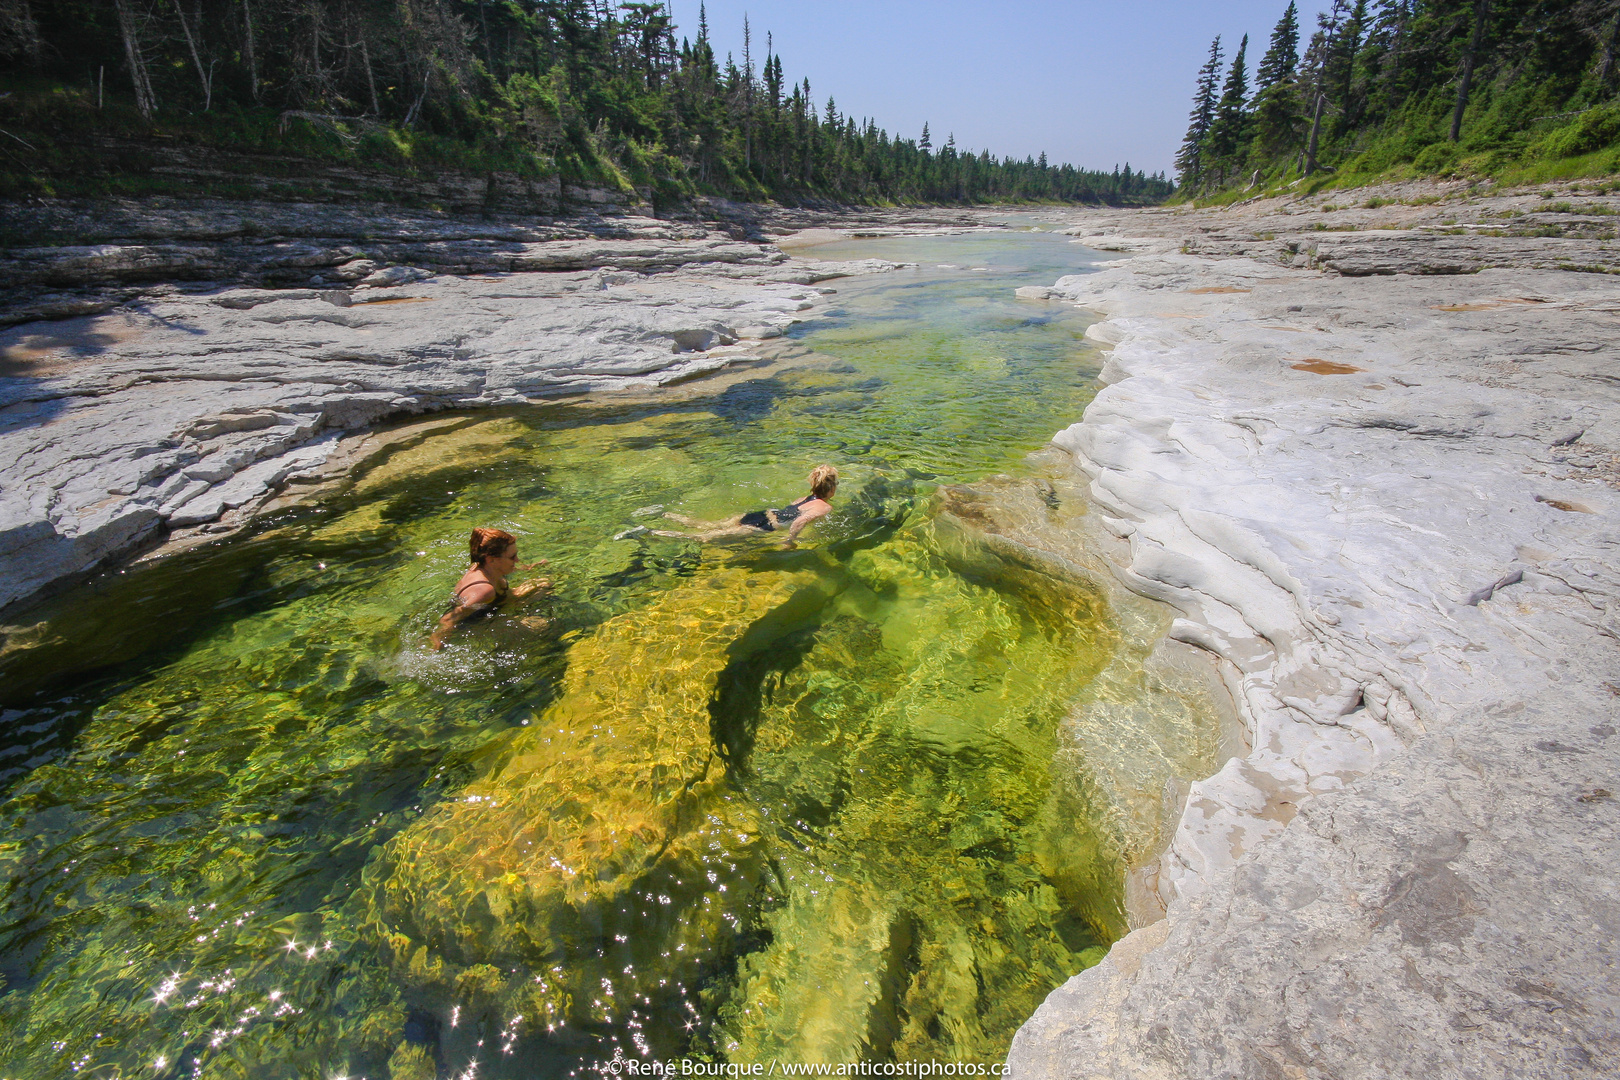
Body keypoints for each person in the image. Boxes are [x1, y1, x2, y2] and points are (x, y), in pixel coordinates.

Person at [641, 465, 839, 547]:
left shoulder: (802, 498)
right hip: (762, 527)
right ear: (831, 489)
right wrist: (789, 541)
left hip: (758, 515)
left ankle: (666, 514)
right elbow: (801, 520)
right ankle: (651, 532)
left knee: (703, 524)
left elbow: (792, 512)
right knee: (703, 538)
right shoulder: (824, 507)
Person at [429, 527, 552, 650]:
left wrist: (532, 567)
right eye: (512, 557)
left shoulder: (485, 566)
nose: (517, 560)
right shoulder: (484, 591)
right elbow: (449, 619)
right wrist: (437, 646)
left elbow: (511, 569)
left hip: (495, 605)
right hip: (476, 625)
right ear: (491, 559)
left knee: (544, 584)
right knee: (541, 625)